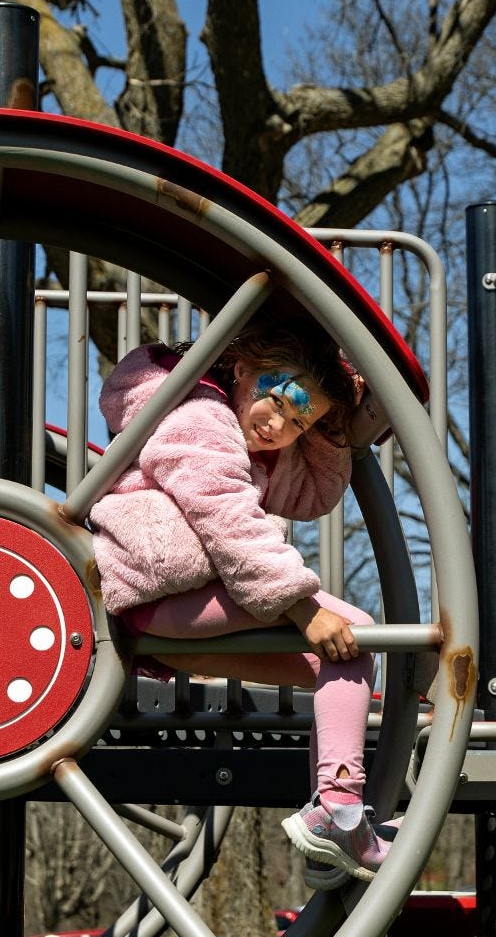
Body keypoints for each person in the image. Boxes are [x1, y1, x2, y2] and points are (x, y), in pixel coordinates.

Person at [88, 322, 387, 886]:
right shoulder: (201, 418)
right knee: (354, 633)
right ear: (243, 369)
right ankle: (338, 815)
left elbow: (314, 494)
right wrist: (300, 607)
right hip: (162, 586)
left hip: (178, 604)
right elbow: (228, 521)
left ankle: (334, 822)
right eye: (277, 400)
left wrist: (338, 424)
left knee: (341, 659)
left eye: (300, 421)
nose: (279, 426)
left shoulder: (249, 437)